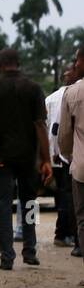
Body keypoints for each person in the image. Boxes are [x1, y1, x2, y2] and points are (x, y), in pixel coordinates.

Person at [0, 48, 53, 270]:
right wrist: (45, 159)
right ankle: (30, 251)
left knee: (2, 203)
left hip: (2, 155)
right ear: (18, 64)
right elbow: (40, 124)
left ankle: (6, 257)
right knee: (29, 202)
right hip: (28, 156)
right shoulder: (33, 88)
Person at [57, 46, 84, 261]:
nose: (75, 65)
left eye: (77, 60)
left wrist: (68, 156)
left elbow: (64, 134)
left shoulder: (73, 93)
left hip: (79, 166)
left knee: (82, 217)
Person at [47, 63, 78, 248]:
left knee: (30, 197)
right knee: (67, 196)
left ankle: (26, 232)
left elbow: (46, 128)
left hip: (49, 157)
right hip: (65, 155)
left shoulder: (49, 99)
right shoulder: (73, 96)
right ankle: (64, 233)